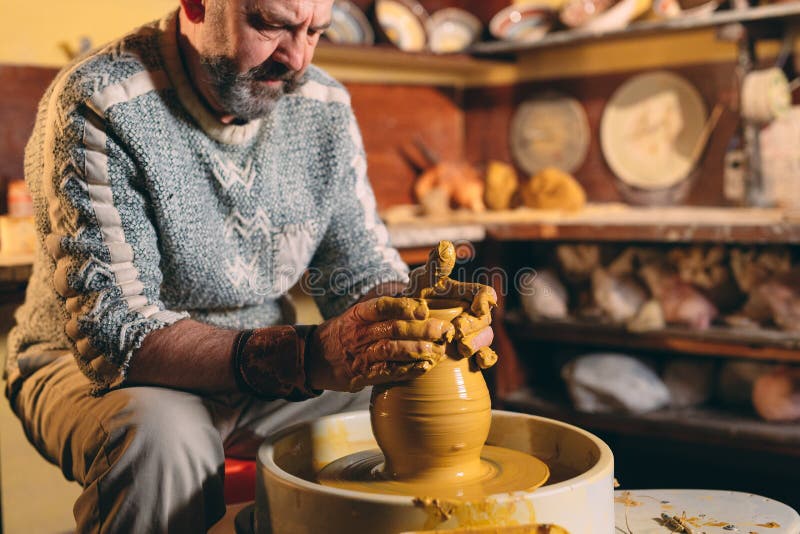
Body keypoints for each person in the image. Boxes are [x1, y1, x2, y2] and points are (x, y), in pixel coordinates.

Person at [4, 0, 497, 531]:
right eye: (272, 25)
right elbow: (117, 334)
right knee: (163, 441)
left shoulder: (323, 105)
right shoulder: (104, 100)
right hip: (96, 368)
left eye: (315, 31)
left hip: (264, 360)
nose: (297, 58)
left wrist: (415, 321)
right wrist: (307, 357)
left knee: (410, 390)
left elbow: (356, 269)